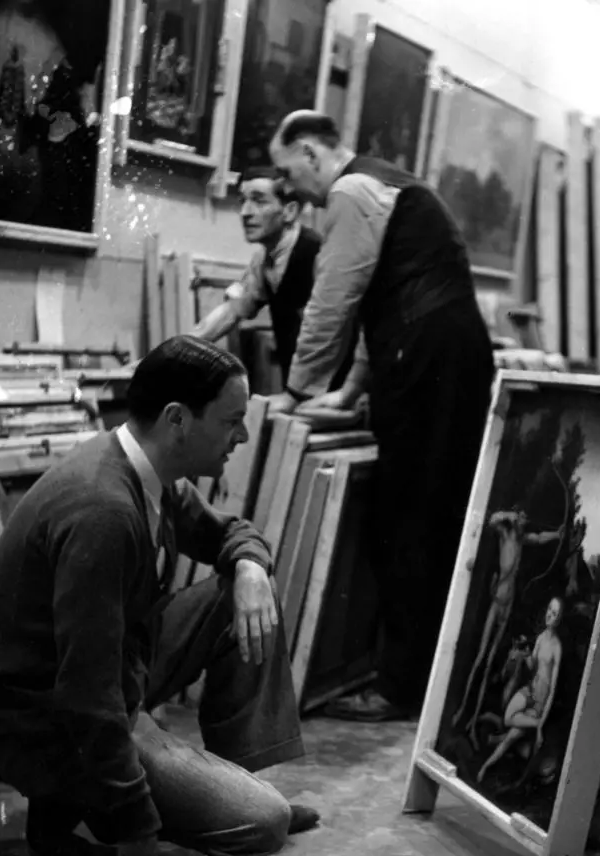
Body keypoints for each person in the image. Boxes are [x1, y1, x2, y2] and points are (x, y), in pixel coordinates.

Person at [0, 336, 319, 856]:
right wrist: (134, 827)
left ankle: (218, 784)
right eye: (232, 421)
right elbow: (87, 690)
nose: (243, 437)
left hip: (110, 673)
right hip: (46, 720)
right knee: (265, 825)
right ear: (178, 420)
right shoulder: (103, 510)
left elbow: (229, 533)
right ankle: (86, 802)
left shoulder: (155, 476)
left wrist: (252, 566)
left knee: (239, 595)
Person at [265, 110, 496, 722]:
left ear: (313, 154)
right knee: (432, 512)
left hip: (427, 359)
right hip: (447, 351)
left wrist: (295, 390)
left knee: (409, 517)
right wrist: (351, 390)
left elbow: (334, 298)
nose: (292, 191)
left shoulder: (348, 191)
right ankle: (428, 678)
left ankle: (399, 687)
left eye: (290, 174)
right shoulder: (387, 183)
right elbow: (379, 298)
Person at [190, 169, 356, 390]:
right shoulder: (263, 259)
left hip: (335, 386)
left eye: (259, 201)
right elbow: (232, 310)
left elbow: (338, 329)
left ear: (289, 211)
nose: (245, 212)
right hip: (299, 383)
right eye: (242, 201)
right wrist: (173, 352)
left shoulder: (319, 255)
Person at [450, 509, 564, 737]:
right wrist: (510, 516)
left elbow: (540, 537)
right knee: (480, 658)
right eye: (523, 518)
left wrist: (557, 534)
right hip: (496, 603)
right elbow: (492, 519)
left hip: (508, 604)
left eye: (525, 519)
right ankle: (462, 709)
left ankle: (473, 723)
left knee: (491, 661)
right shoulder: (506, 534)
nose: (525, 522)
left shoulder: (522, 539)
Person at [476, 596, 564, 784]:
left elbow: (553, 689)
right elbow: (532, 665)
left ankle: (485, 768)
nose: (550, 615)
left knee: (510, 739)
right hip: (530, 690)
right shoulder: (541, 637)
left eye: (555, 613)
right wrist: (523, 655)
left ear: (559, 619)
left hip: (539, 701)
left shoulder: (557, 648)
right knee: (508, 717)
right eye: (550, 609)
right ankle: (533, 726)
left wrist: (542, 722)